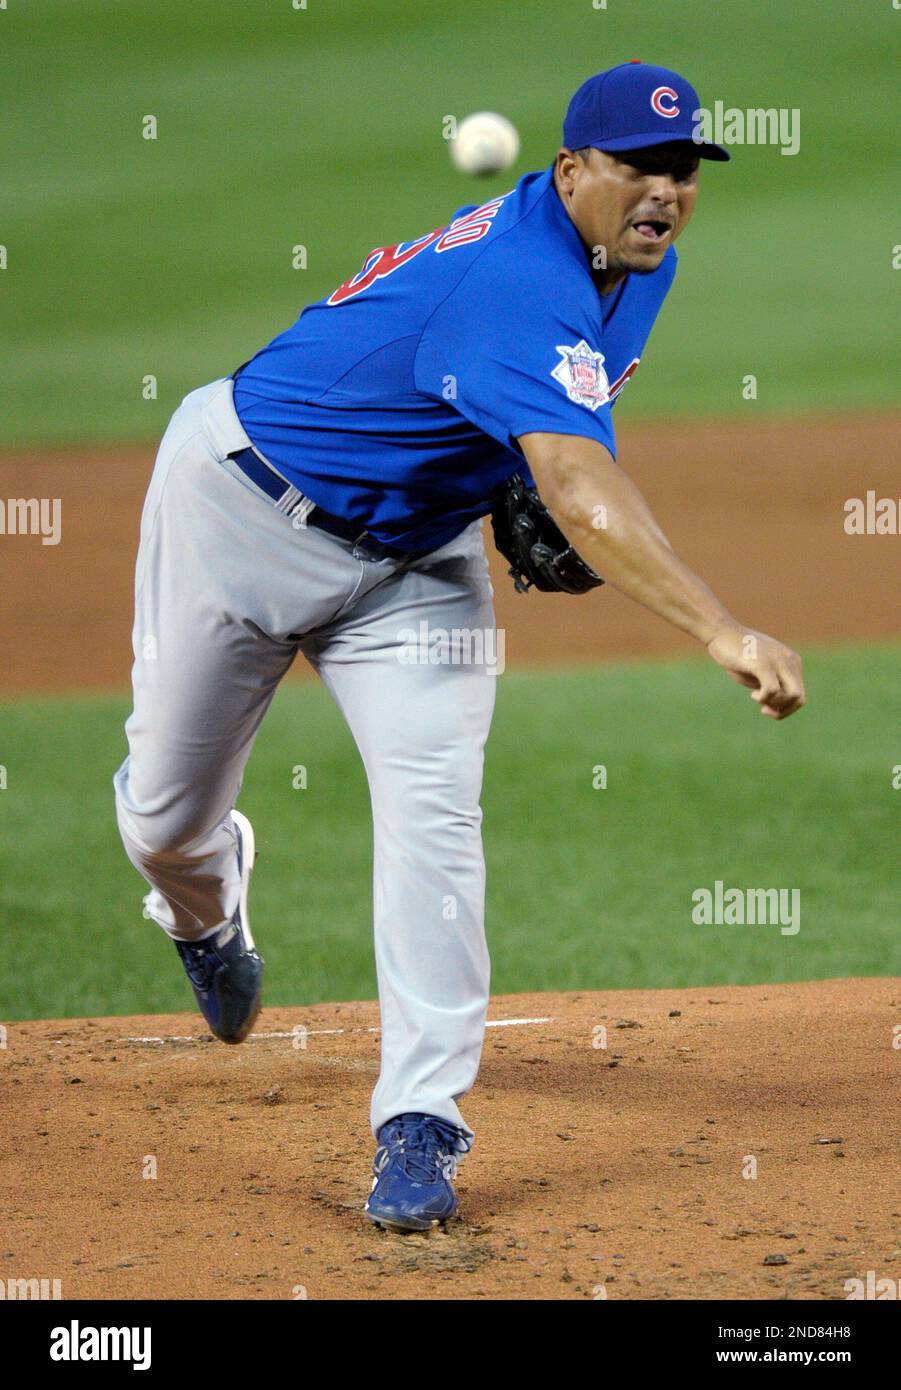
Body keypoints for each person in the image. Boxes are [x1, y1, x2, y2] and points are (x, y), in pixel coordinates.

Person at [114, 62, 805, 1233]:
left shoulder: (641, 260)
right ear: (571, 168)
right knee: (162, 821)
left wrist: (497, 480)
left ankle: (419, 1119)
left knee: (435, 811)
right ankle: (204, 904)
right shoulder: (514, 278)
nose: (665, 192)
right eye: (637, 166)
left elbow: (551, 424)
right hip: (236, 511)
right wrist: (717, 622)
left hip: (414, 570)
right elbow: (578, 483)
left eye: (683, 170)